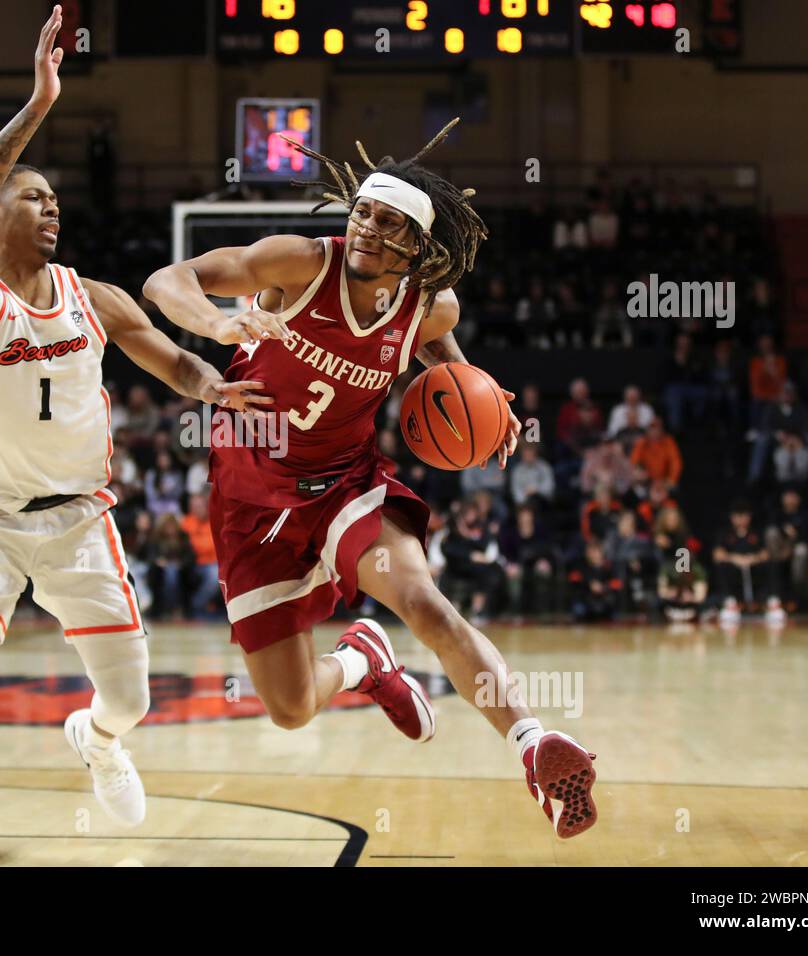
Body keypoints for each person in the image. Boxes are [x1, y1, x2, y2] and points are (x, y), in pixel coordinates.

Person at [145, 118, 599, 838]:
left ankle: (532, 742)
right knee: (290, 708)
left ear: (417, 248)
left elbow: (437, 348)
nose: (367, 229)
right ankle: (361, 660)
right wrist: (217, 324)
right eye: (363, 213)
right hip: (249, 500)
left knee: (424, 602)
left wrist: (471, 386)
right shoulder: (299, 262)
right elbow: (167, 279)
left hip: (345, 484)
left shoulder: (429, 305)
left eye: (388, 223)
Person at [0, 7, 266, 863]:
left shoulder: (92, 296)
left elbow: (171, 360)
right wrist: (38, 102)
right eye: (33, 196)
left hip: (80, 526)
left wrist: (216, 386)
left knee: (131, 700)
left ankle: (97, 740)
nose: (51, 205)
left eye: (56, 198)